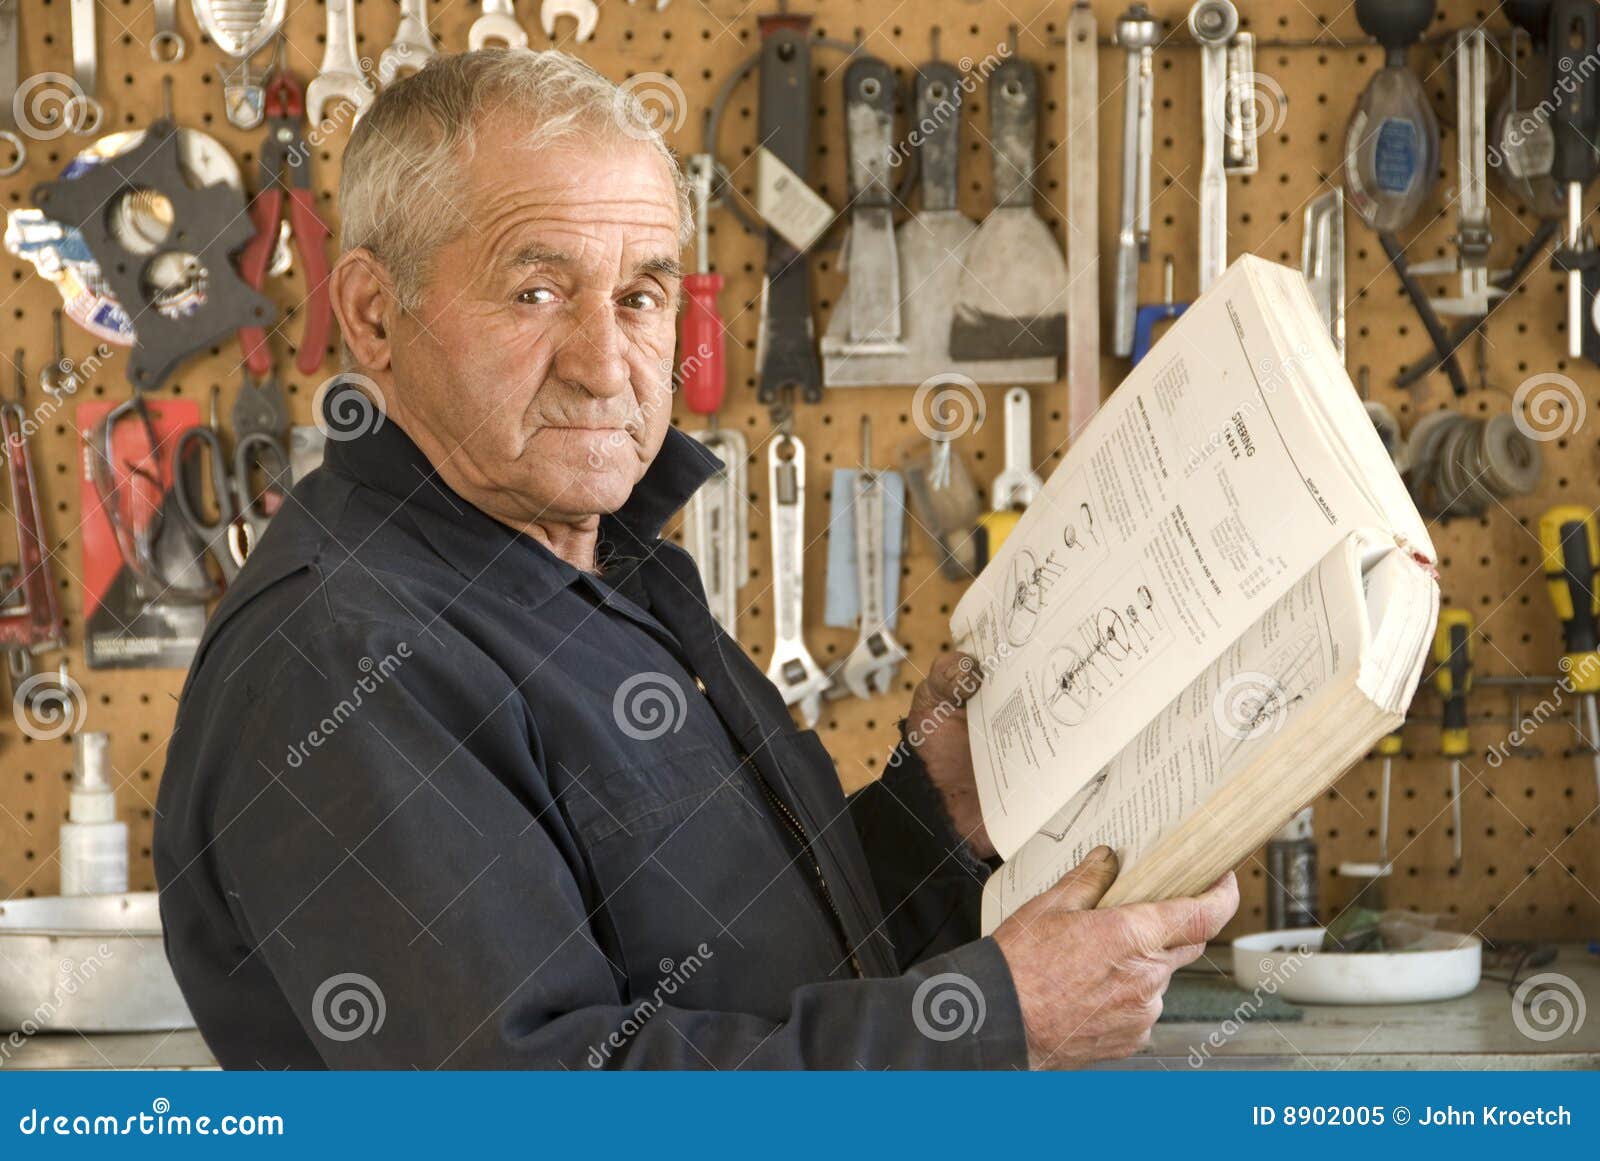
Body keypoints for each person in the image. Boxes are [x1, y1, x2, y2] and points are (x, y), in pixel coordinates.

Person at [155, 49, 1236, 1070]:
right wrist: (993, 1025)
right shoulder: (344, 657)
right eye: (535, 293)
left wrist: (932, 823)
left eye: (641, 297)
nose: (604, 364)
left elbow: (747, 976)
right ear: (373, 317)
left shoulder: (597, 569)